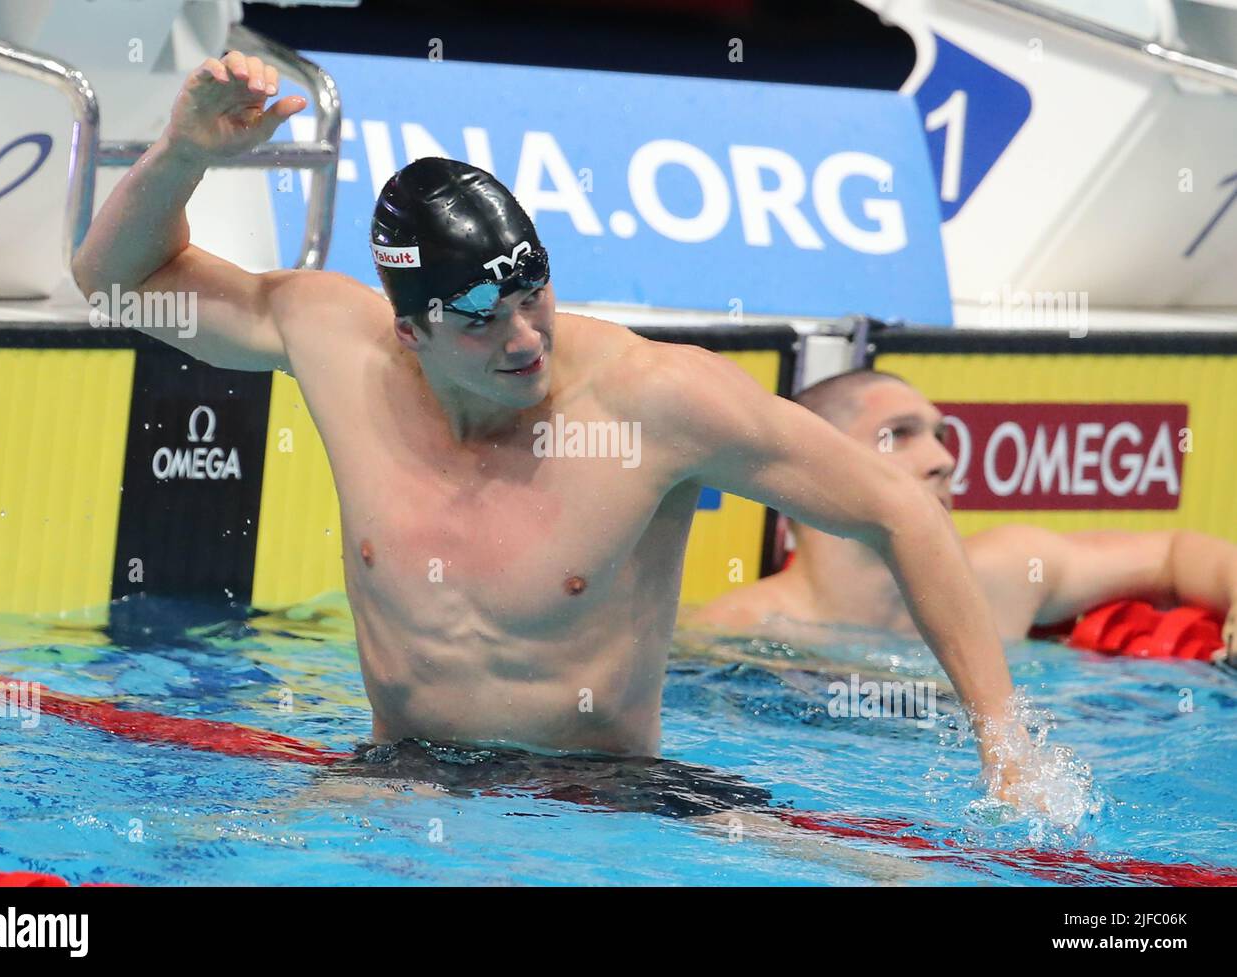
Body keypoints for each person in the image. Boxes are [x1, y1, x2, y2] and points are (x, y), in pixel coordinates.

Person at [71, 51, 1035, 799]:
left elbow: (899, 513)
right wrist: (185, 155)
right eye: (483, 321)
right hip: (397, 785)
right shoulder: (335, 342)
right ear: (409, 330)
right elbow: (116, 284)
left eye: (536, 295)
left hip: (603, 808)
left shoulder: (659, 400)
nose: (526, 338)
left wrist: (1006, 743)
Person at [692, 369, 1237, 662]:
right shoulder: (731, 635)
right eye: (898, 435)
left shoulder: (1003, 575)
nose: (942, 459)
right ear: (808, 462)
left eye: (940, 436)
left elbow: (1173, 554)